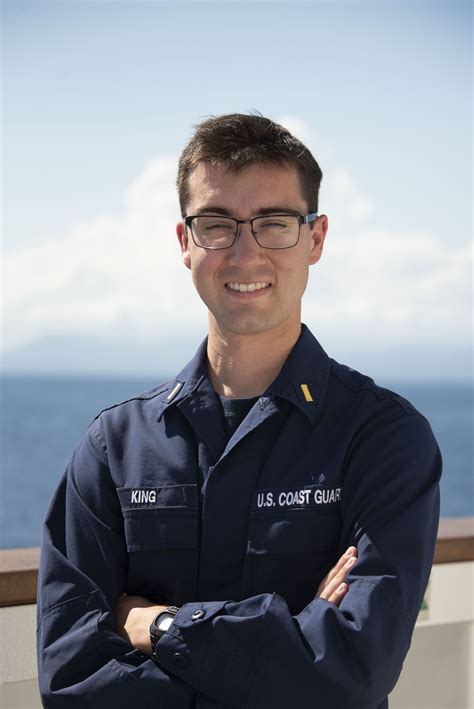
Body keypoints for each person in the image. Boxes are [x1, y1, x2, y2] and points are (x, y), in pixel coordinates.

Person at [37, 113, 441, 709]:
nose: (245, 253)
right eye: (217, 224)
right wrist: (286, 643)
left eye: (274, 223)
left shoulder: (382, 438)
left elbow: (356, 664)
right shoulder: (115, 447)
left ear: (316, 238)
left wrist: (161, 628)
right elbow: (70, 677)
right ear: (185, 242)